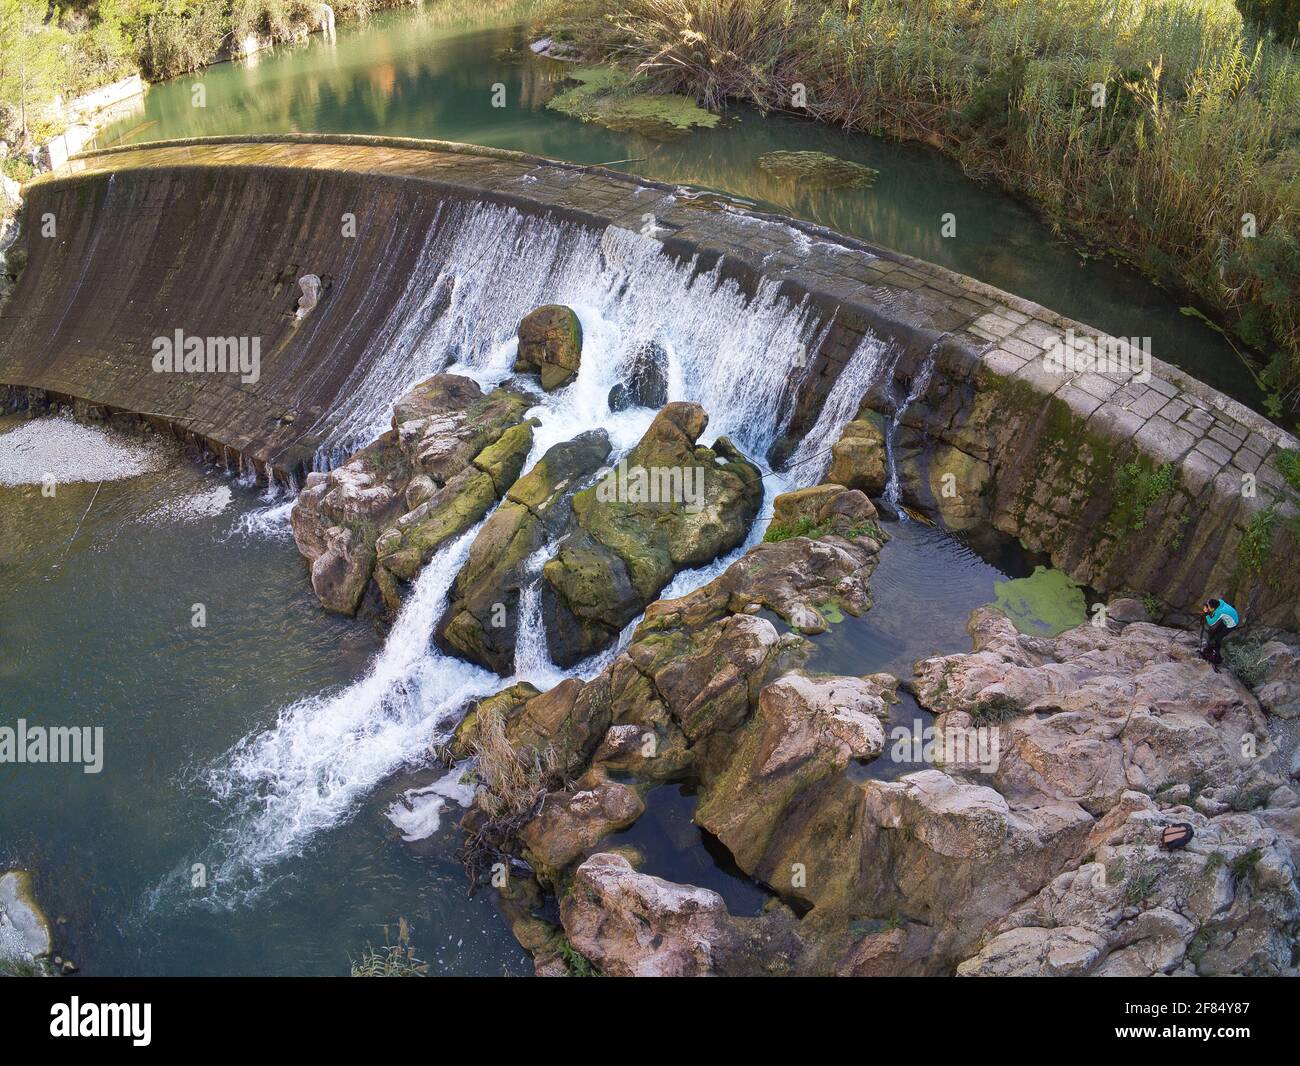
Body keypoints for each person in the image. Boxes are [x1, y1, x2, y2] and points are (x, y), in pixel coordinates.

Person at [1199, 597, 1239, 669]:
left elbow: (1211, 623)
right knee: (1213, 634)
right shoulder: (1219, 602)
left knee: (1216, 639)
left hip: (1232, 624)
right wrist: (1209, 610)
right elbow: (1214, 611)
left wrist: (1206, 613)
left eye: (1209, 606)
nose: (1207, 607)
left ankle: (1217, 658)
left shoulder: (1220, 612)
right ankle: (1211, 649)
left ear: (1213, 608)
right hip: (1228, 619)